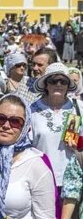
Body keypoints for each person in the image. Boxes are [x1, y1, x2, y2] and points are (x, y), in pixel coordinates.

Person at [30, 63, 78, 195]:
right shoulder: (31, 110)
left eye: (63, 81)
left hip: (73, 181)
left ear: (68, 85)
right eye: (53, 81)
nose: (58, 84)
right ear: (46, 84)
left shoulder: (78, 107)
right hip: (41, 179)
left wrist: (78, 142)